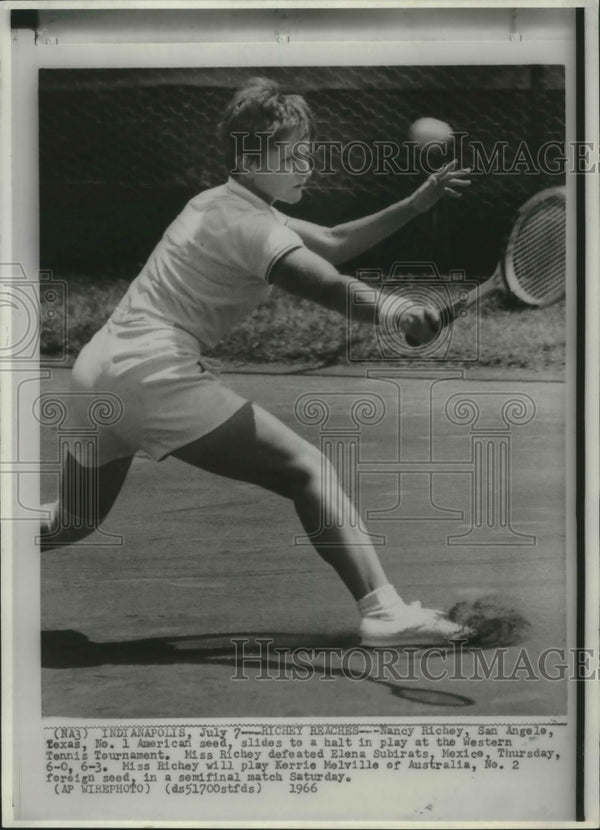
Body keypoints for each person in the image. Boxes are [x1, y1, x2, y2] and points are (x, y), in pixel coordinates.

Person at [41, 77, 472, 646]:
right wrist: (399, 313)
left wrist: (417, 203)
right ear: (251, 158)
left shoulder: (220, 202)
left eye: (308, 150)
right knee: (308, 470)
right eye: (292, 154)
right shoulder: (250, 226)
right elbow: (329, 284)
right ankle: (384, 610)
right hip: (153, 372)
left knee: (69, 521)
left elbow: (337, 240)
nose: (307, 163)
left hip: (98, 371)